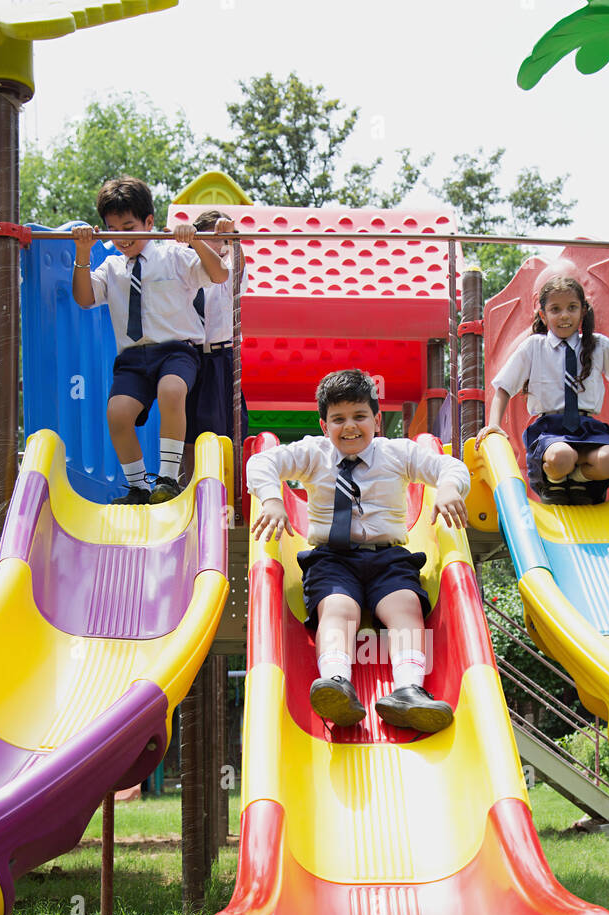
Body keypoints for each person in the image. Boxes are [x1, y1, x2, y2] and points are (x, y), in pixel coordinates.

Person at [247, 369, 470, 732]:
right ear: (324, 425)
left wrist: (448, 488)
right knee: (338, 608)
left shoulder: (397, 453)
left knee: (405, 607)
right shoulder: (314, 454)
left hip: (388, 557)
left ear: (377, 419)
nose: (349, 427)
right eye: (338, 419)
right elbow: (262, 462)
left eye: (359, 416)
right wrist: (272, 500)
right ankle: (336, 684)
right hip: (332, 560)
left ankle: (408, 691)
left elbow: (450, 465)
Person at [71, 177, 229, 505]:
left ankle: (168, 479)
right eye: (113, 229)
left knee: (172, 391)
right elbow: (84, 298)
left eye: (129, 227)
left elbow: (219, 275)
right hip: (132, 358)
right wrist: (83, 253)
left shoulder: (174, 256)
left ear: (149, 222)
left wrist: (197, 241)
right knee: (117, 412)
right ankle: (139, 486)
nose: (122, 237)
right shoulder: (111, 267)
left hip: (175, 351)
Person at [476, 274, 609, 504]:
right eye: (555, 309)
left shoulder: (598, 346)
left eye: (571, 308)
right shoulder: (534, 347)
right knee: (562, 456)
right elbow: (504, 387)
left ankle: (577, 479)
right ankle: (555, 483)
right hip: (549, 429)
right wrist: (493, 424)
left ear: (582, 312)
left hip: (587, 428)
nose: (564, 315)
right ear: (544, 316)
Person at [184, 209, 250, 468]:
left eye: (221, 239)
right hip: (191, 354)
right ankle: (185, 483)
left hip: (220, 356)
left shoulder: (227, 269)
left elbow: (239, 265)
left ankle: (227, 485)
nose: (218, 244)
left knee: (225, 428)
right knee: (189, 427)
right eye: (213, 237)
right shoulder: (184, 267)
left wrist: (234, 237)